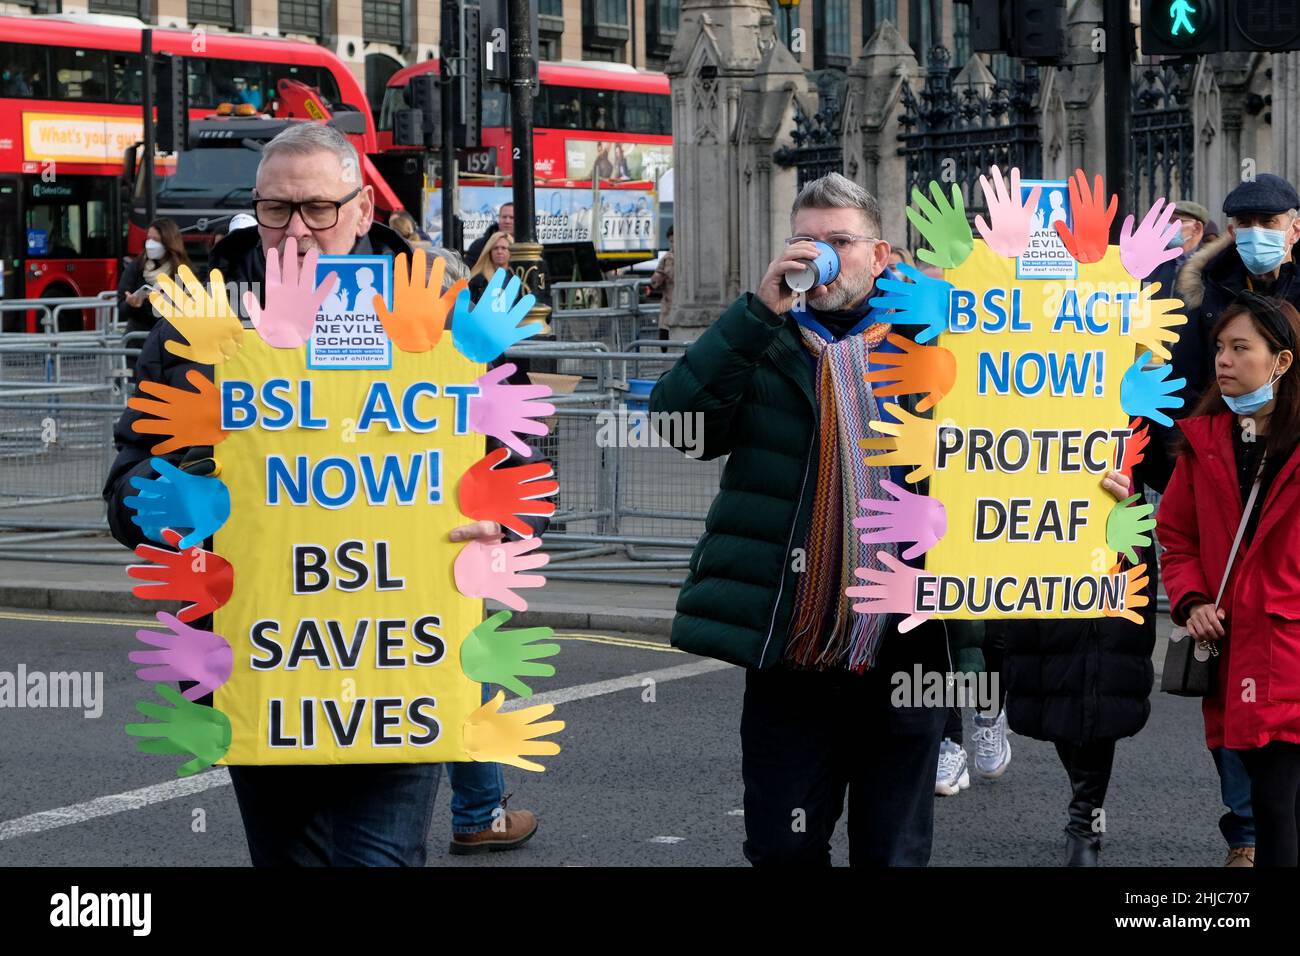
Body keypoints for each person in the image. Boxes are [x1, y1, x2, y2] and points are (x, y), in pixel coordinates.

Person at [103, 122, 526, 867]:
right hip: (262, 667)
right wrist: (187, 500)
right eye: (275, 209)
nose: (295, 229)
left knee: (381, 861)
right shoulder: (202, 325)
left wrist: (502, 527)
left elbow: (519, 459)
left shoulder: (440, 320)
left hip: (400, 666)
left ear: (363, 209)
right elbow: (126, 485)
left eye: (317, 209)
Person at [651, 172, 952, 866]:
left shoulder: (937, 345)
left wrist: (1091, 484)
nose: (820, 256)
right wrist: (756, 313)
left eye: (840, 242)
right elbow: (677, 424)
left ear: (879, 256)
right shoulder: (764, 339)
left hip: (908, 641)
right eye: (806, 240)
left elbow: (1012, 452)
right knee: (782, 848)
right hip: (792, 644)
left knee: (893, 853)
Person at [1168, 175, 1300, 865]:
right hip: (1230, 607)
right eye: (1241, 220)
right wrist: (1189, 595)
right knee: (1245, 751)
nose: (1225, 360)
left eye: (1267, 220)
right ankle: (1242, 837)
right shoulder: (1194, 296)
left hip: (1286, 621)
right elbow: (1177, 528)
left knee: (1281, 791)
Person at [116, 218, 191, 344]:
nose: (150, 244)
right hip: (138, 341)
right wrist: (131, 304)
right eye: (148, 239)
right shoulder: (136, 267)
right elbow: (121, 309)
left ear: (169, 242)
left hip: (172, 342)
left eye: (155, 240)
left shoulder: (183, 271)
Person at [1147, 199, 1211, 297]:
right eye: (1166, 221)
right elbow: (1144, 303)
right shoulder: (1152, 263)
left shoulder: (1211, 266)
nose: (1166, 226)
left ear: (1197, 228)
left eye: (1175, 221)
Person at [463, 202, 515, 268]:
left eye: (512, 217)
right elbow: (467, 272)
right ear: (499, 218)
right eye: (504, 217)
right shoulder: (479, 245)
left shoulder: (528, 246)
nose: (507, 221)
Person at [468, 232, 513, 304]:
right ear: (489, 252)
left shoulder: (518, 277)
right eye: (495, 248)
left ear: (511, 252)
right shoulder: (478, 281)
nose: (499, 251)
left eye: (503, 248)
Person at [649, 225, 675, 347]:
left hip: (682, 306)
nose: (673, 245)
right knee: (663, 343)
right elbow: (655, 280)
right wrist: (657, 279)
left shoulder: (689, 257)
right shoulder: (666, 258)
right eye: (671, 242)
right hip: (668, 307)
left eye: (675, 241)